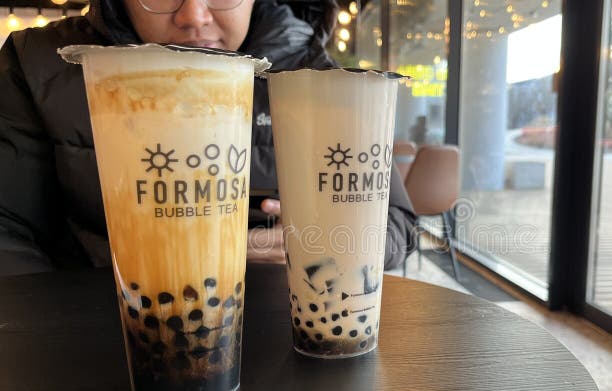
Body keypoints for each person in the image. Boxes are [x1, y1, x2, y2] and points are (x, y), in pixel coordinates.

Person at [0, 0, 417, 277]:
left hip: (278, 330)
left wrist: (336, 239)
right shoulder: (38, 66)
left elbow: (398, 222)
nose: (194, 15)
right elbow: (9, 229)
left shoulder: (316, 77)